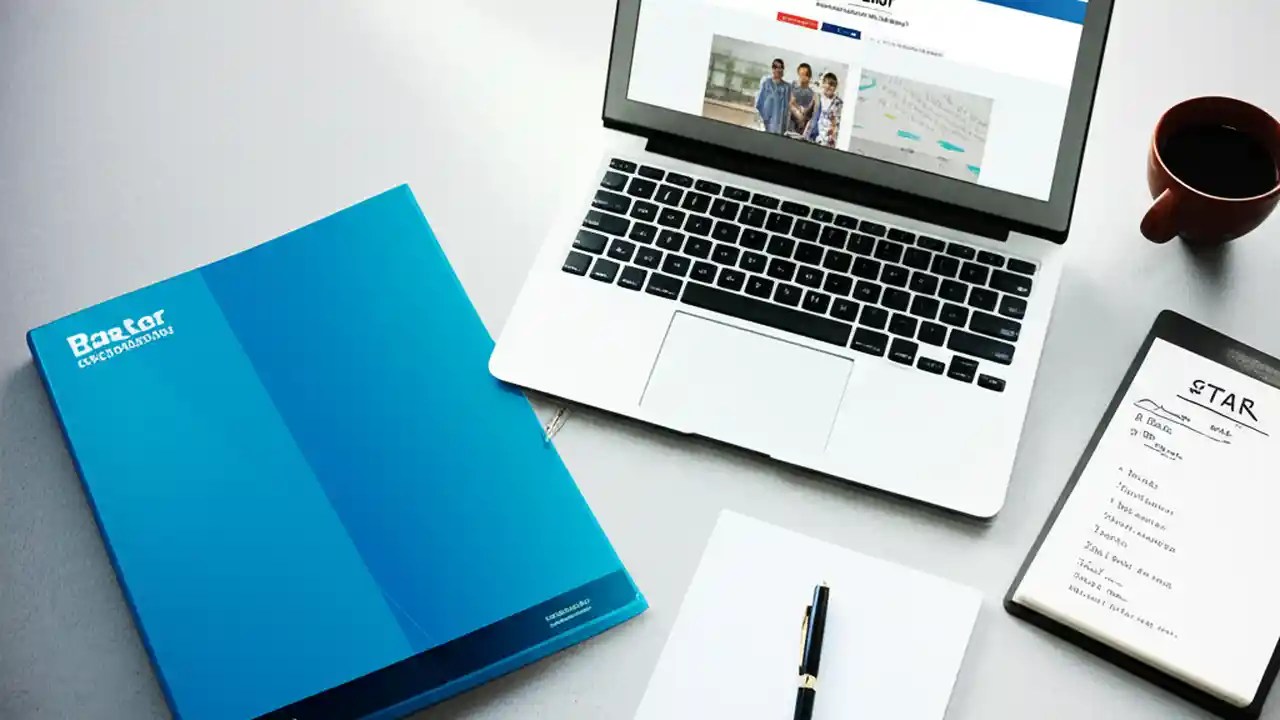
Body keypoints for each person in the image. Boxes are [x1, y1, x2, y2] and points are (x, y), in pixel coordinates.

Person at [755, 58, 791, 135]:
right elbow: (759, 104)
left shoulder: (787, 87)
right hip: (766, 123)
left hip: (780, 125)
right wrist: (764, 119)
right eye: (776, 67)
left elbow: (788, 108)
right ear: (773, 69)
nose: (778, 70)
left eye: (780, 67)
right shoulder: (766, 83)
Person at [811, 72, 843, 148]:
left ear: (835, 87)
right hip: (815, 134)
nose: (829, 87)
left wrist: (832, 134)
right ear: (823, 84)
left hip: (828, 138)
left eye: (832, 85)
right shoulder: (817, 97)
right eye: (827, 83)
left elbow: (837, 123)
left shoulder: (838, 103)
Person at [789, 63, 817, 137]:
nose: (802, 77)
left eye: (804, 75)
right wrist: (798, 112)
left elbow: (812, 112)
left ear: (809, 77)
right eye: (800, 75)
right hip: (790, 125)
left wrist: (803, 114)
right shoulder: (792, 87)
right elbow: (790, 103)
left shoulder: (812, 94)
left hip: (803, 129)